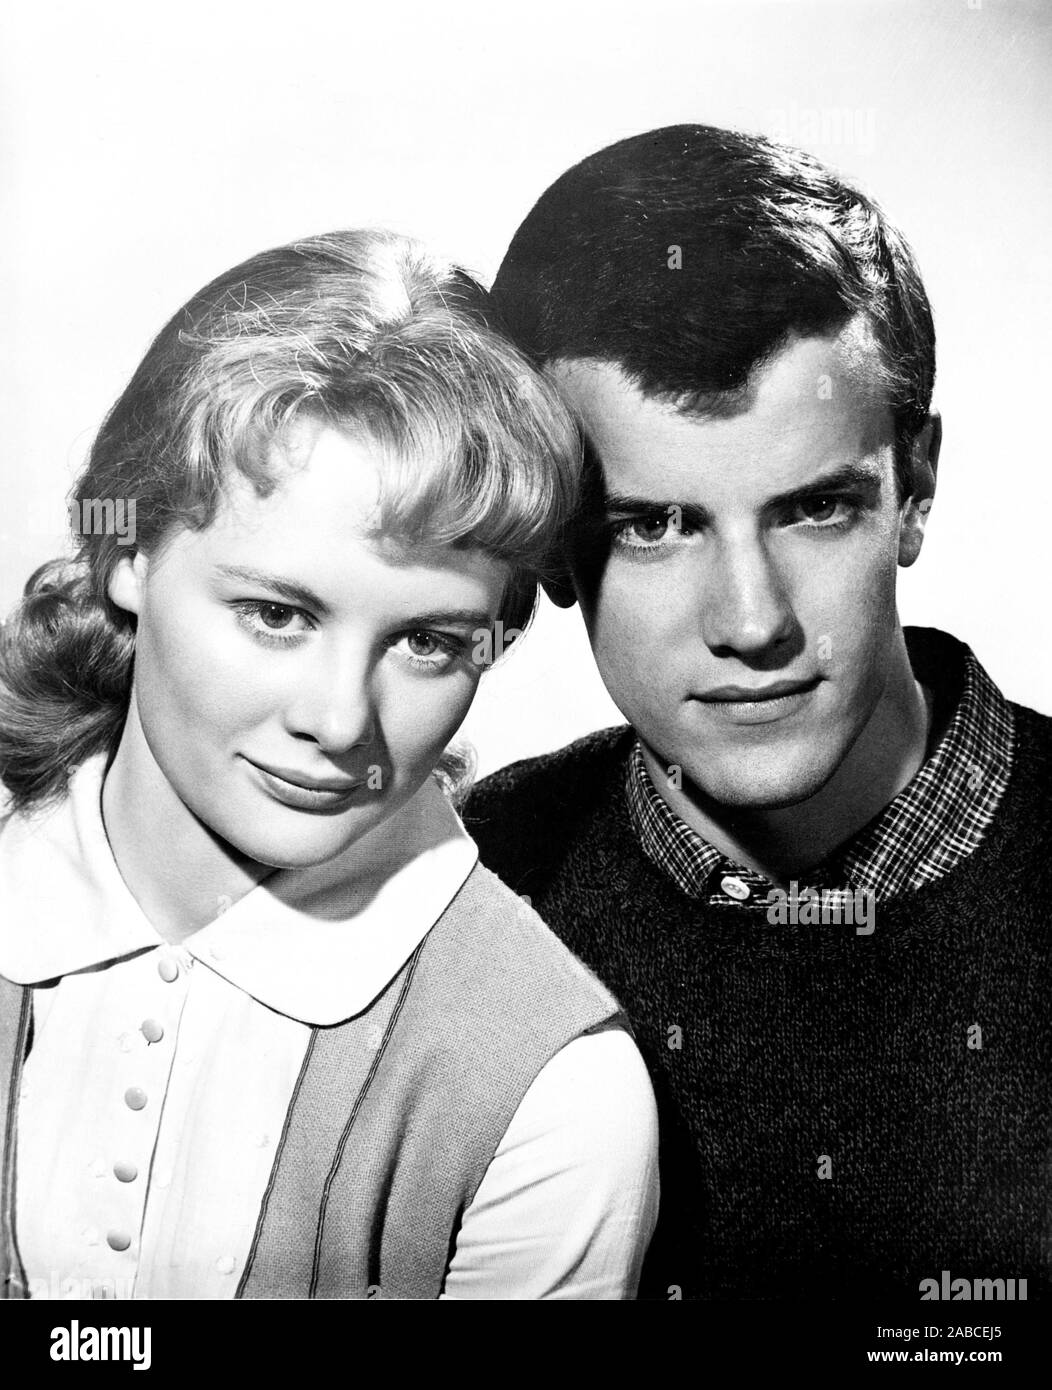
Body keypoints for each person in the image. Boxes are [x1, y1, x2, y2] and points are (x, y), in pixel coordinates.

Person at [0, 228, 658, 1301]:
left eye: (427, 642)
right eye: (275, 613)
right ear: (126, 553)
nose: (339, 719)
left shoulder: (552, 1092)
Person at [464, 125, 1052, 1301]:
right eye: (654, 525)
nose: (749, 621)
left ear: (913, 492)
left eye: (814, 509)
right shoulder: (475, 888)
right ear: (551, 548)